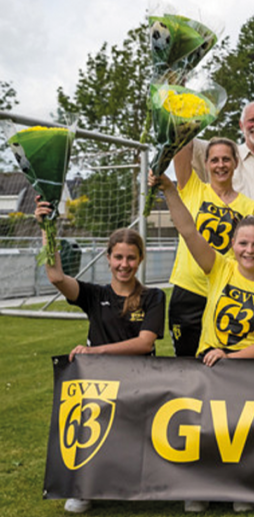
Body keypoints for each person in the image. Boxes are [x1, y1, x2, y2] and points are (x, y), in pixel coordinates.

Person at [154, 173, 254, 513]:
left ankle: (241, 487)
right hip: (209, 365)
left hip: (245, 369)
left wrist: (228, 358)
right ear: (233, 246)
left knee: (241, 431)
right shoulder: (220, 269)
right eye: (243, 243)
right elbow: (188, 230)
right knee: (203, 428)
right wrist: (170, 189)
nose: (249, 250)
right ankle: (199, 487)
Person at [35, 200, 165, 515]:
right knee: (92, 433)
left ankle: (153, 483)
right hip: (100, 385)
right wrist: (46, 227)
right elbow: (55, 276)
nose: (124, 263)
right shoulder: (94, 295)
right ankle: (85, 488)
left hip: (140, 382)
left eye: (130, 258)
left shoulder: (153, 297)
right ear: (107, 258)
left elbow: (145, 343)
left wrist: (94, 351)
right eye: (118, 257)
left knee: (139, 439)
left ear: (140, 259)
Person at [168, 137, 254, 358]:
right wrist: (183, 113)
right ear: (206, 163)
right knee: (186, 363)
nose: (221, 165)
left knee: (220, 365)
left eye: (226, 160)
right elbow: (181, 145)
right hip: (189, 290)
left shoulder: (249, 206)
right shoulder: (192, 188)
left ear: (236, 162)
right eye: (215, 160)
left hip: (226, 295)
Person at [187, 101, 254, 285]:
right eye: (251, 120)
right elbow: (185, 144)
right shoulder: (225, 158)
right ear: (241, 125)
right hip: (230, 281)